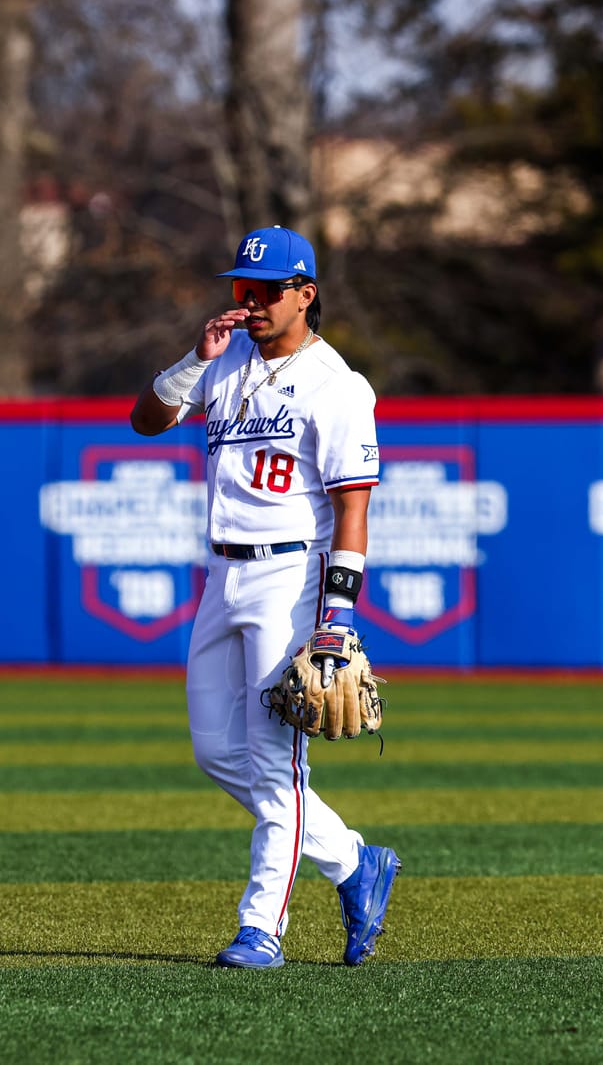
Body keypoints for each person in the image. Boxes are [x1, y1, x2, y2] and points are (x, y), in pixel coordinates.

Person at [130, 225, 400, 969]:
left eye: (266, 291)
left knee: (275, 764)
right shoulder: (225, 363)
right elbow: (145, 420)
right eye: (241, 288)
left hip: (293, 578)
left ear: (306, 295)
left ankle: (261, 929)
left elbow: (353, 507)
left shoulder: (337, 385)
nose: (249, 302)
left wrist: (339, 616)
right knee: (219, 753)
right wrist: (194, 359)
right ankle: (353, 862)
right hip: (222, 576)